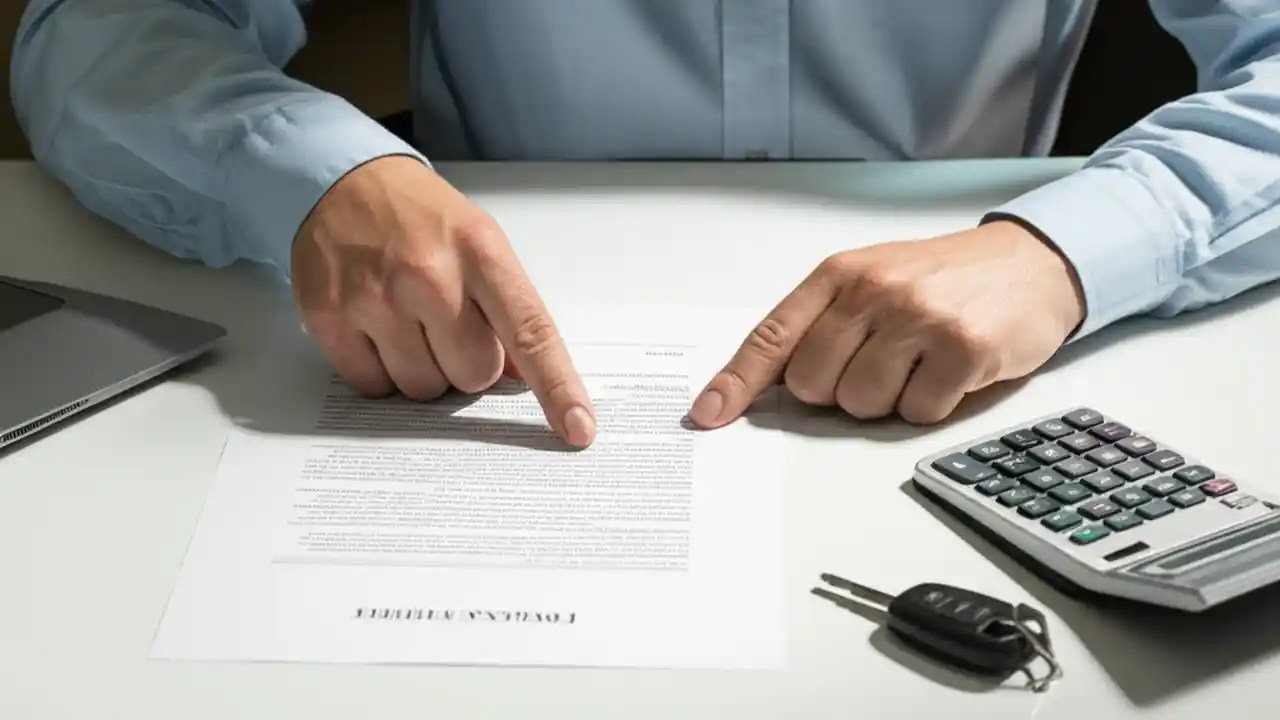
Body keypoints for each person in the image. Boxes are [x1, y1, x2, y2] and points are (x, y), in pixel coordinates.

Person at [11, 1, 1280, 450]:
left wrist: (1063, 251)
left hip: (981, 370)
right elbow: (97, 29)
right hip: (452, 359)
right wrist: (308, 172)